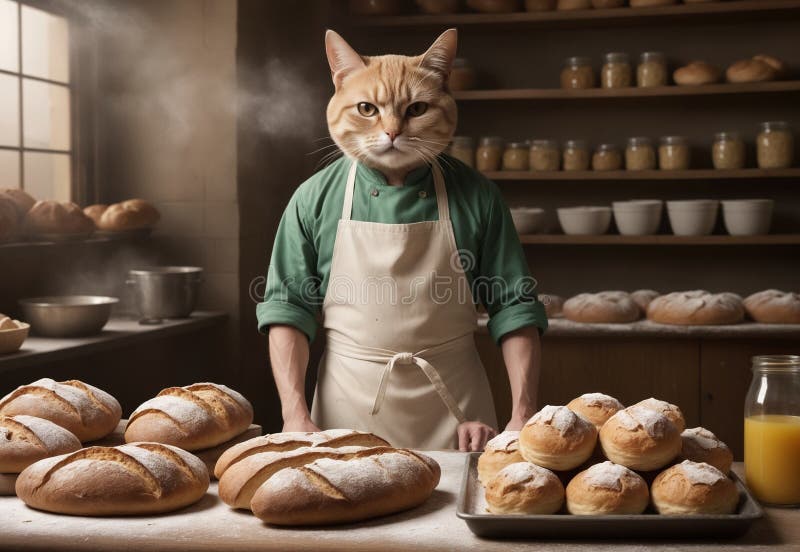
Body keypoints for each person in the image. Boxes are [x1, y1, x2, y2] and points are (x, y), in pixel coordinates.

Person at [257, 28, 547, 451]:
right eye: (367, 109)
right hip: (343, 416)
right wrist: (294, 414)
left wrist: (522, 416)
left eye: (415, 110)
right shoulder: (313, 198)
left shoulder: (478, 195)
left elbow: (515, 308)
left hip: (459, 419)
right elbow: (287, 310)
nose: (391, 129)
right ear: (338, 88)